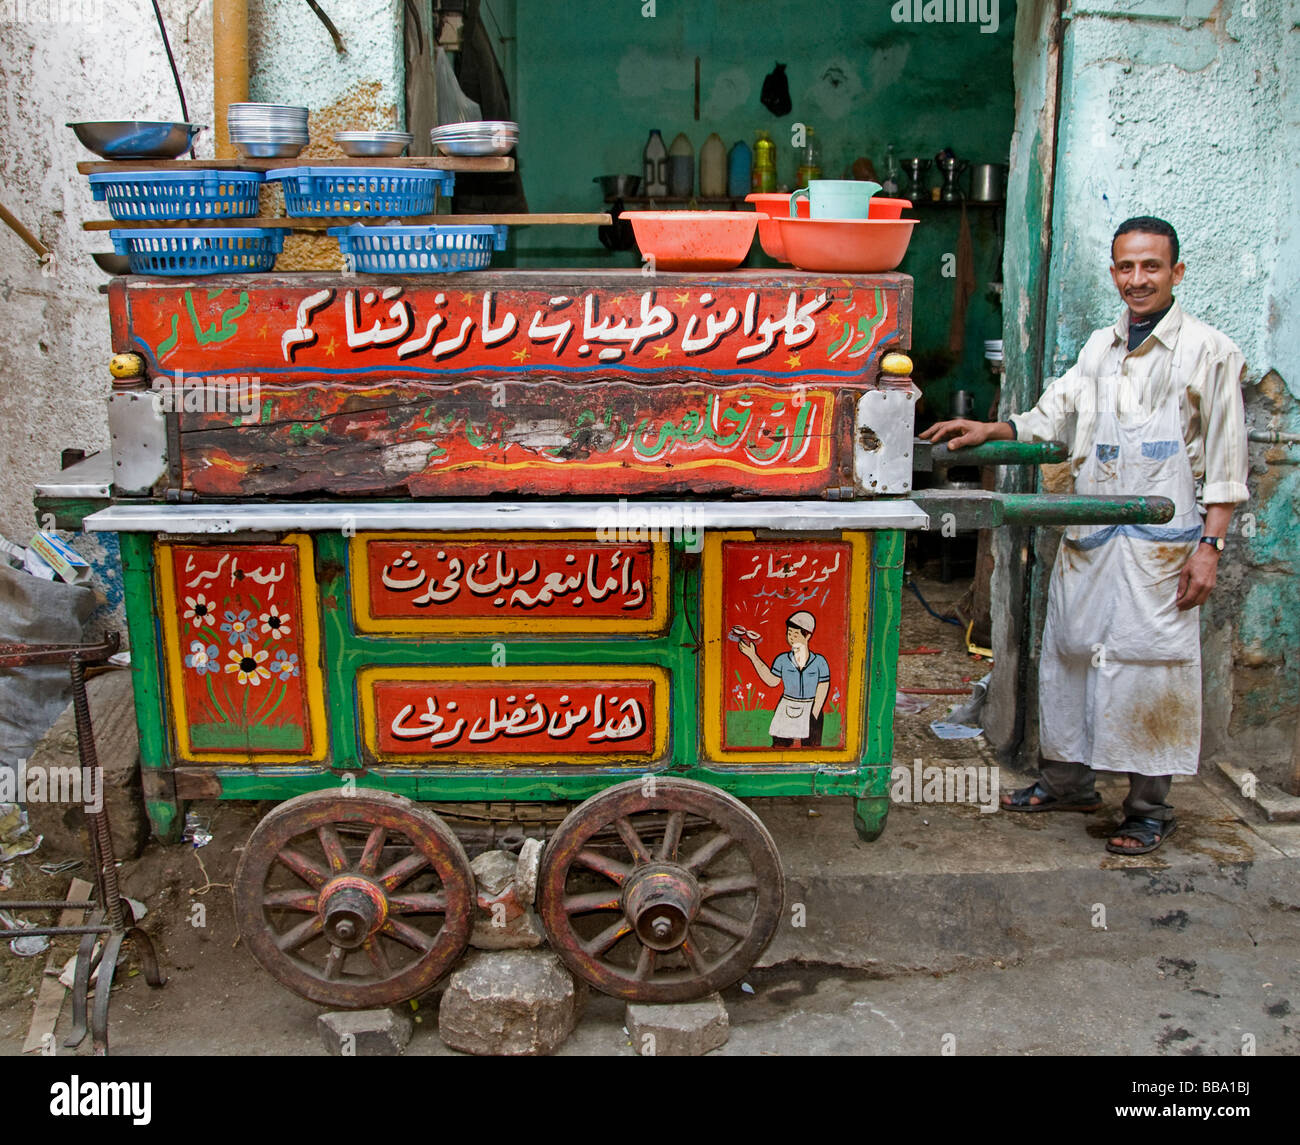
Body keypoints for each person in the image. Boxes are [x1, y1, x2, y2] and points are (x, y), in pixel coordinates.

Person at [921, 216, 1248, 854]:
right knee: (1071, 655)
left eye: (1151, 267)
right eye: (1126, 266)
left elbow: (1228, 465)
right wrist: (994, 430)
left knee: (1149, 669)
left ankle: (1148, 808)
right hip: (1091, 540)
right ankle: (1067, 781)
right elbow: (1054, 415)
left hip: (1162, 546)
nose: (1137, 279)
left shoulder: (1210, 352)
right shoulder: (1101, 347)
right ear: (1113, 273)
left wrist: (1209, 548)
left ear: (1176, 273)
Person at [739, 610, 831, 747]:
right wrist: (753, 656)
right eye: (789, 633)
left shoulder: (819, 662)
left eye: (795, 634)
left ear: (807, 636)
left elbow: (823, 687)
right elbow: (772, 681)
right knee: (780, 746)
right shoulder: (782, 660)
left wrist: (815, 712)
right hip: (787, 706)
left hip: (812, 706)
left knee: (812, 748)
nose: (791, 638)